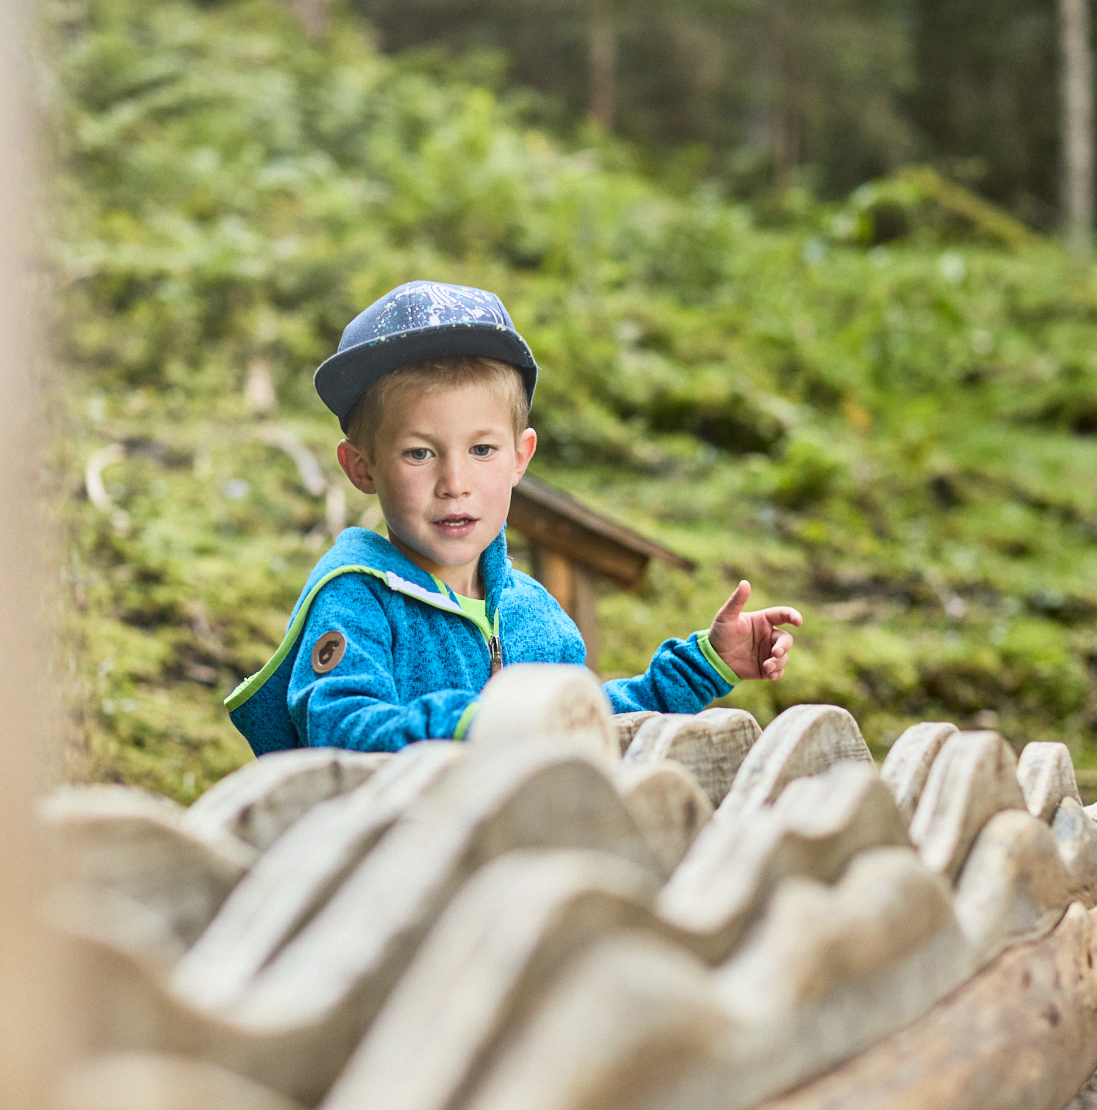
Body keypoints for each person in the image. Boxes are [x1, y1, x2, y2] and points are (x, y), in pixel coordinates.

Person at [225, 280, 801, 755]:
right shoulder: (355, 598)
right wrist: (478, 722)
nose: (455, 484)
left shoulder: (534, 616)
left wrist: (703, 665)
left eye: (482, 451)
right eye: (419, 453)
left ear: (521, 457)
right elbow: (340, 730)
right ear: (362, 467)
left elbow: (585, 725)